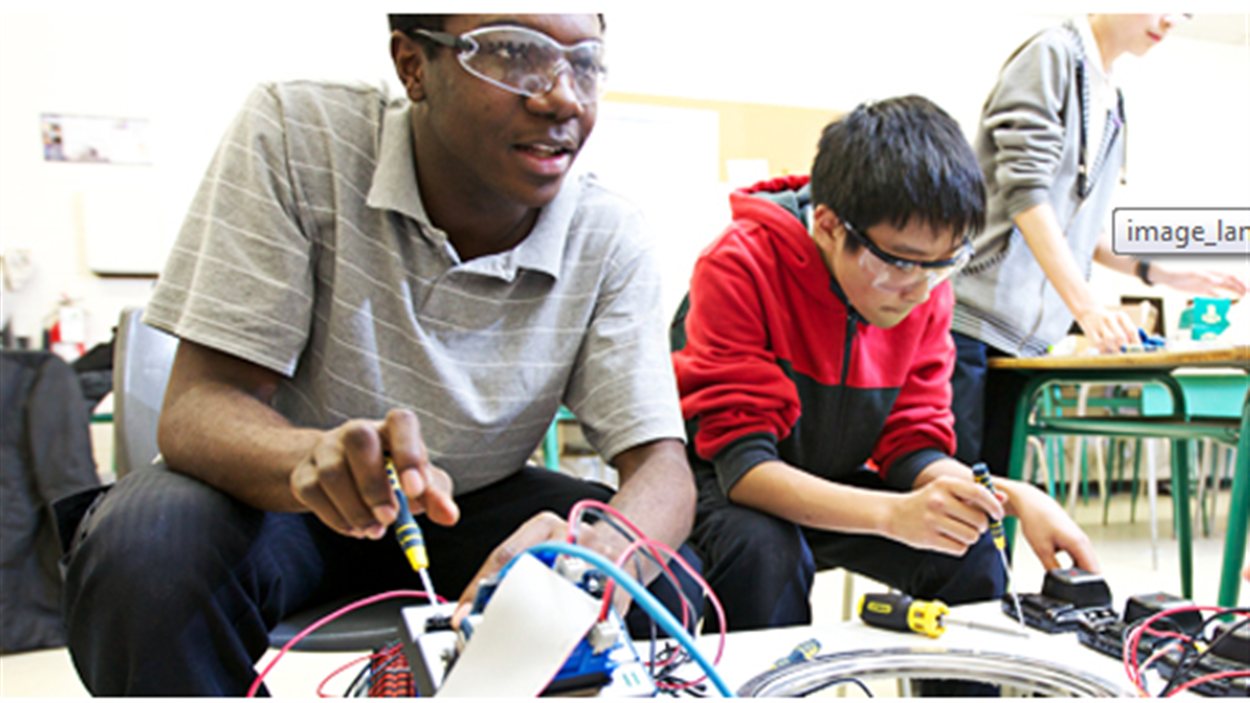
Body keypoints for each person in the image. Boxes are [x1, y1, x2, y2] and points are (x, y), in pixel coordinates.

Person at [61, 14, 696, 696]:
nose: (563, 97)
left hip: (471, 502)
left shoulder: (607, 233)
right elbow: (198, 406)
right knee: (148, 546)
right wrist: (307, 456)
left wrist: (605, 556)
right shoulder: (299, 136)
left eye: (586, 62)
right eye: (515, 52)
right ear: (413, 65)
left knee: (663, 578)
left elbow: (662, 468)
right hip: (284, 495)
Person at [671, 95, 1098, 633]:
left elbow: (913, 446)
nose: (918, 290)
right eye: (899, 262)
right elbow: (744, 468)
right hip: (731, 487)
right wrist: (894, 516)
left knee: (967, 548)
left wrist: (1012, 497)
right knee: (767, 553)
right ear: (829, 226)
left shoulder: (926, 289)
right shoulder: (741, 265)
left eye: (941, 265)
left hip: (838, 479)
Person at [951, 14, 1247, 473]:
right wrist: (1087, 308)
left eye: (1185, 11)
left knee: (992, 492)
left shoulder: (1111, 98)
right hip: (972, 323)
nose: (1171, 19)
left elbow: (1077, 227)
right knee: (956, 488)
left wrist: (1163, 272)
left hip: (1023, 341)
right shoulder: (1053, 56)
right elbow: (1027, 198)